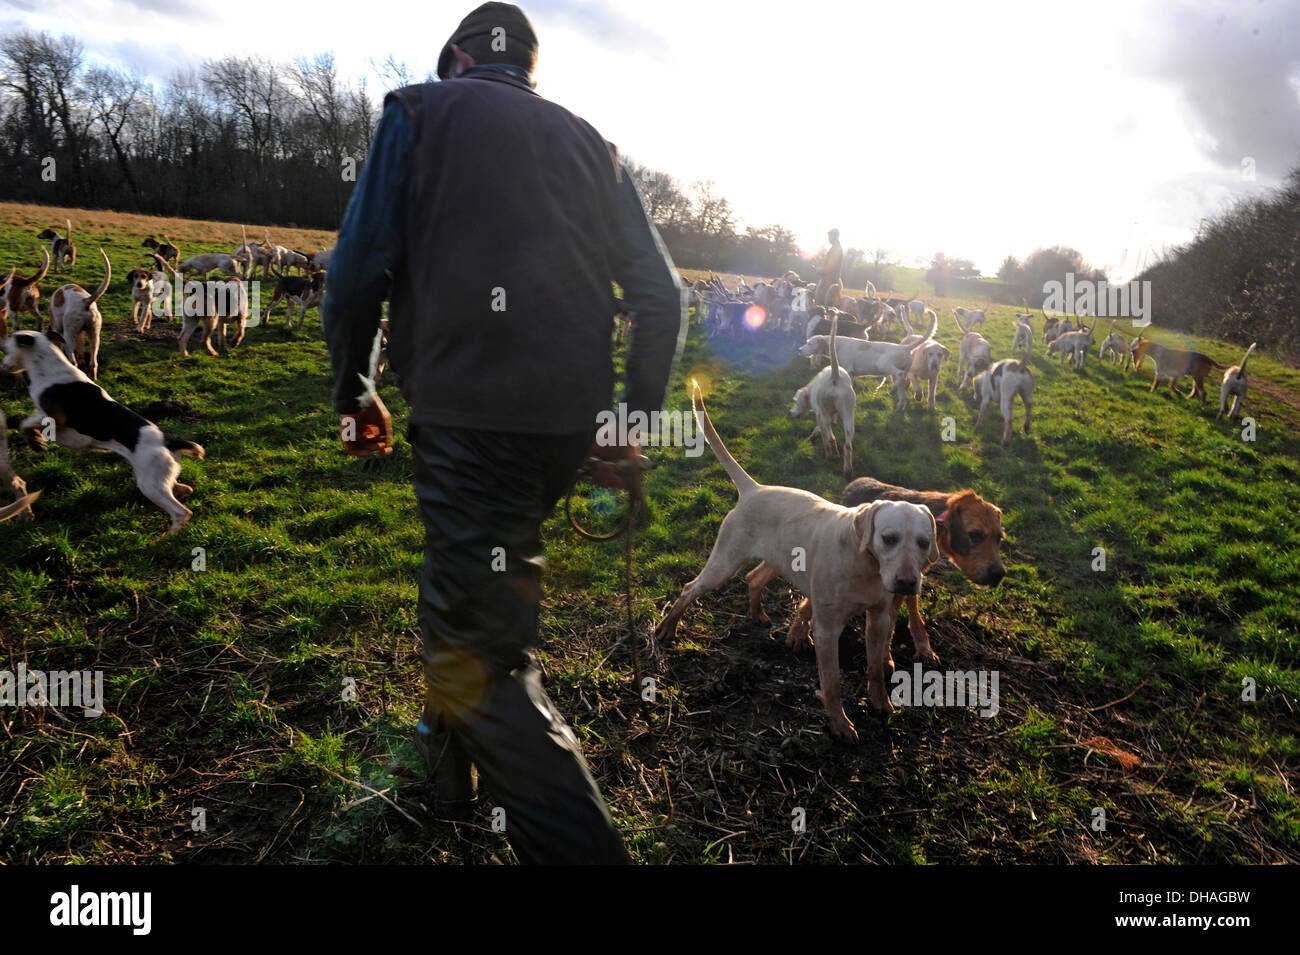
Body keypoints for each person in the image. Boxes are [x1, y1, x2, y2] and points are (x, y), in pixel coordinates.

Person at [322, 2, 685, 864]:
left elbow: (352, 274)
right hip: (563, 429)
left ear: (455, 57)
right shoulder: (591, 143)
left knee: (485, 654)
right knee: (470, 580)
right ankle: (446, 774)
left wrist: (354, 387)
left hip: (466, 417)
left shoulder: (417, 110)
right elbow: (662, 296)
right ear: (530, 68)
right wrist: (627, 421)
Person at [813, 228, 844, 306]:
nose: (828, 238)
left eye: (830, 236)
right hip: (828, 280)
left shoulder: (836, 249)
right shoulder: (834, 248)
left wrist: (819, 270)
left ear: (836, 236)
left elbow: (830, 267)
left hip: (830, 282)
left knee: (821, 305)